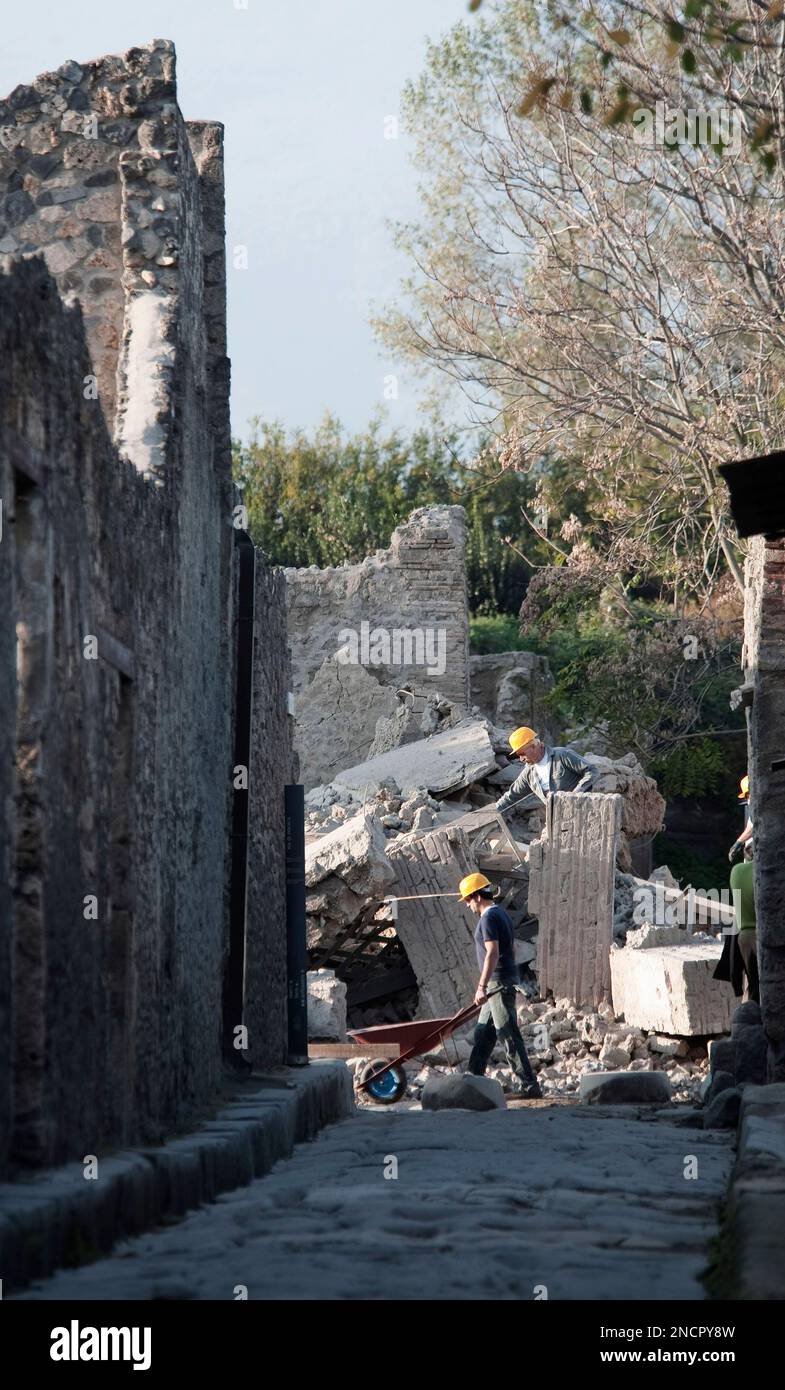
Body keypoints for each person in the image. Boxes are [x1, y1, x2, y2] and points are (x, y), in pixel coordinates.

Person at [458, 872, 542, 1099]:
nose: (467, 905)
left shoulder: (487, 919)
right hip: (502, 979)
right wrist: (507, 973)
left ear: (477, 897)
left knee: (508, 1033)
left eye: (467, 899)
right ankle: (473, 1078)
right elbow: (512, 949)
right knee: (483, 1033)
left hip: (496, 984)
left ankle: (529, 1085)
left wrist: (481, 986)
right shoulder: (501, 914)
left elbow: (492, 953)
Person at [494, 727, 594, 816]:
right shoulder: (529, 774)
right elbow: (511, 796)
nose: (521, 759)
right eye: (518, 755)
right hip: (558, 819)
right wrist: (490, 814)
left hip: (582, 813)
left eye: (522, 753)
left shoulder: (562, 755)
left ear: (533, 746)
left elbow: (592, 770)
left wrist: (577, 792)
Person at [729, 774, 753, 862]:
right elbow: (752, 826)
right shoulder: (753, 804)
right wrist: (738, 843)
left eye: (748, 794)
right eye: (746, 796)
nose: (748, 799)